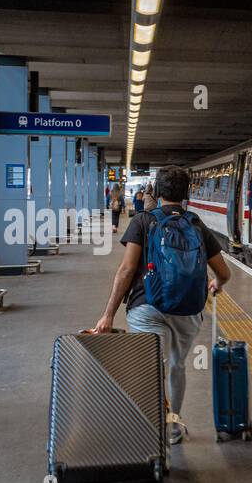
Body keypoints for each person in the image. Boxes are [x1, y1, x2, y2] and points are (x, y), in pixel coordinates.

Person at [92, 166, 232, 445]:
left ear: (156, 191)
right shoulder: (195, 224)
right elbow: (224, 272)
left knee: (152, 366)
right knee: (177, 366)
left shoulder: (143, 221)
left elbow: (127, 270)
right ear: (186, 194)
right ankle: (173, 426)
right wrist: (215, 284)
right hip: (188, 310)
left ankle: (150, 426)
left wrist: (108, 314)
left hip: (148, 307)